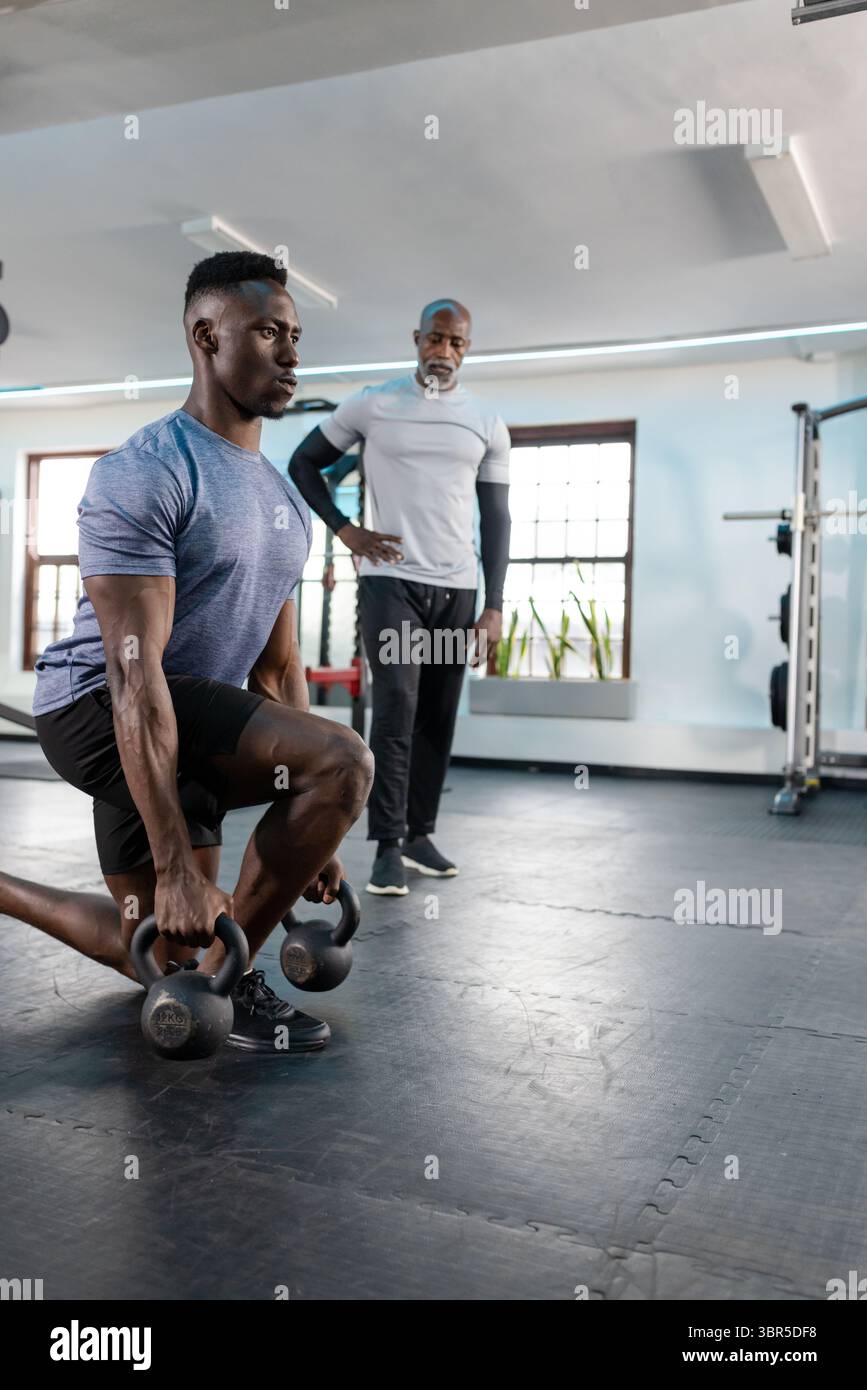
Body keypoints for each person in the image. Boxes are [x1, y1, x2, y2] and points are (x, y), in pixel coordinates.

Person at [0, 250, 373, 1054]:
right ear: (206, 336)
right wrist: (174, 860)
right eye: (268, 331)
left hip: (188, 713)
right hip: (100, 707)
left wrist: (318, 828)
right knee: (345, 760)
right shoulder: (144, 471)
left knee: (169, 958)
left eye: (296, 335)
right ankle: (232, 978)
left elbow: (275, 671)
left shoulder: (281, 498)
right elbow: (134, 674)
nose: (291, 353)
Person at [289, 299, 510, 896]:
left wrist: (494, 606)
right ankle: (386, 844)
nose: (445, 351)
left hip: (457, 589)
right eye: (436, 339)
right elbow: (305, 463)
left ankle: (419, 835)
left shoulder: (486, 421)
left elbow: (497, 517)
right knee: (396, 710)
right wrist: (345, 529)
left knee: (437, 715)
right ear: (417, 338)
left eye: (457, 343)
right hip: (391, 582)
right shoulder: (373, 403)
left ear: (468, 348)